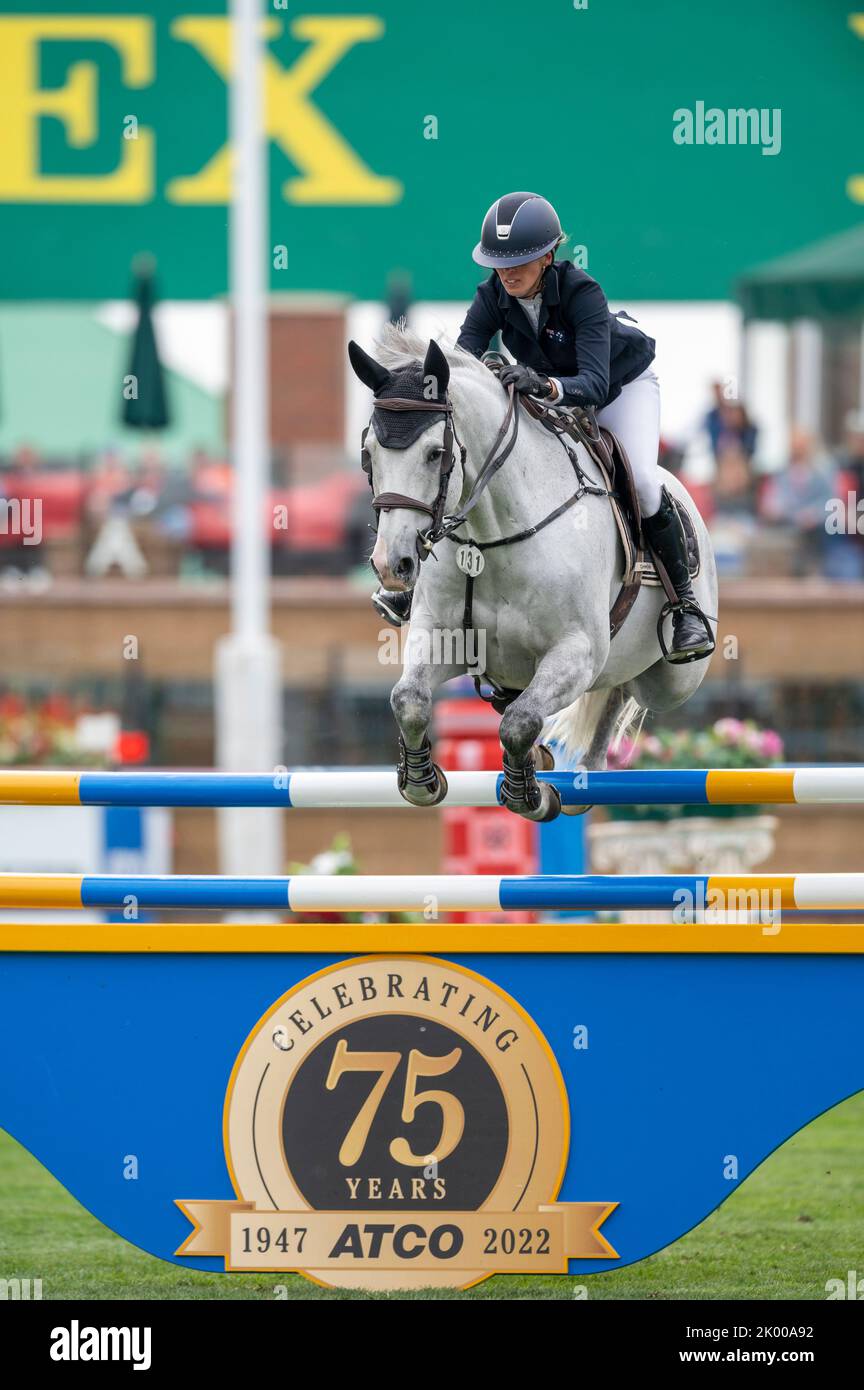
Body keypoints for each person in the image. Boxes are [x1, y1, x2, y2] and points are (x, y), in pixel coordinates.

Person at [372, 191, 712, 661]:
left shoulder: (581, 292)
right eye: (498, 263)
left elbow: (593, 383)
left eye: (521, 262)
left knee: (647, 484)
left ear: (548, 256)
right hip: (547, 389)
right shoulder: (493, 294)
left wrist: (545, 384)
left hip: (620, 388)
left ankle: (685, 608)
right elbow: (463, 364)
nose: (507, 273)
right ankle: (416, 587)